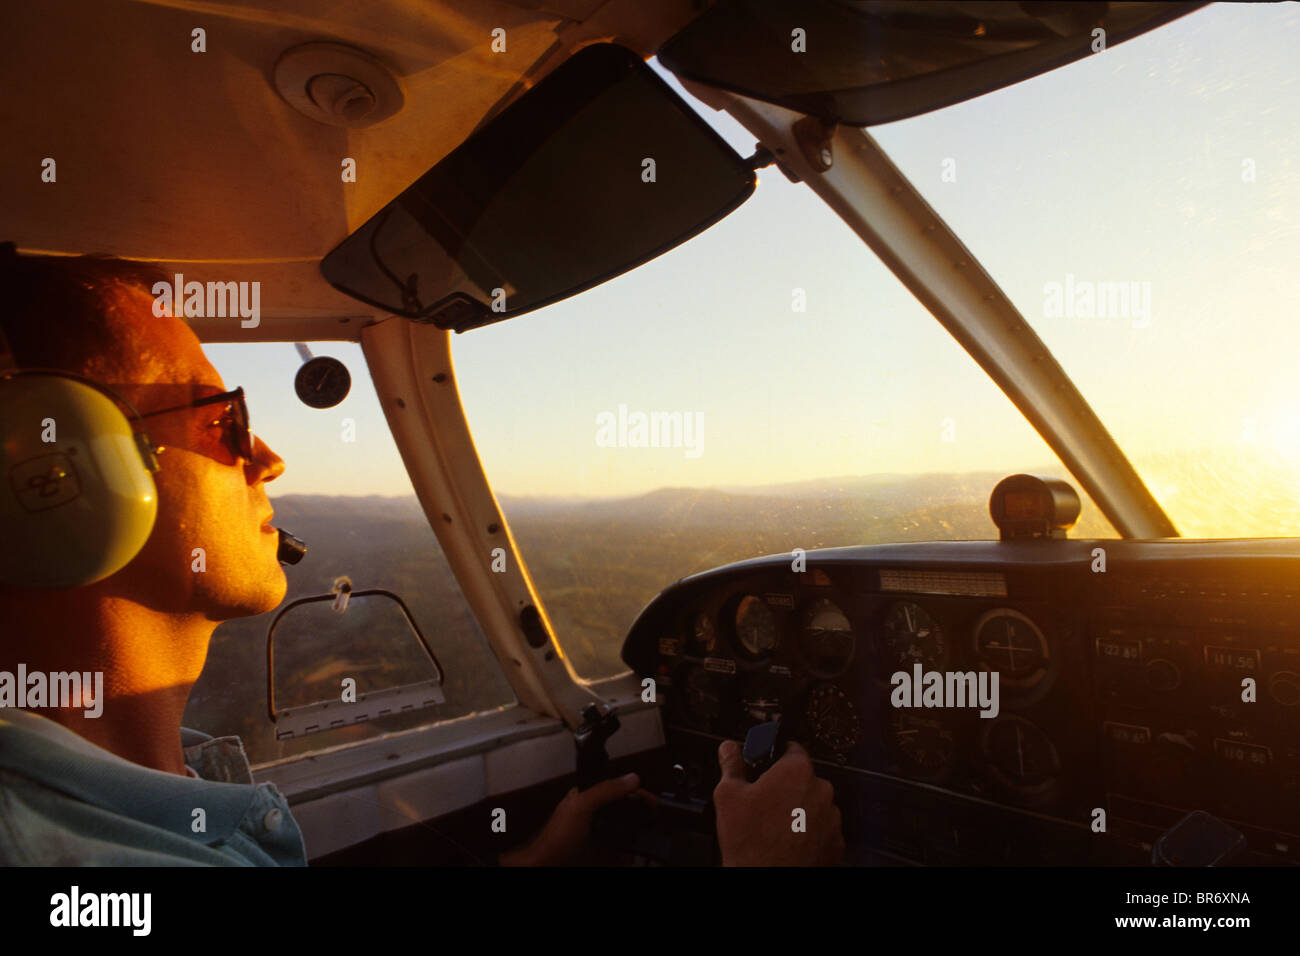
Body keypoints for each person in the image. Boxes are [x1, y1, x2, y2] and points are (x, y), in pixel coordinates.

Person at [0, 249, 844, 866]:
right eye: (222, 418)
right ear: (58, 476)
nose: (268, 458)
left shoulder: (150, 786)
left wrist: (532, 861)